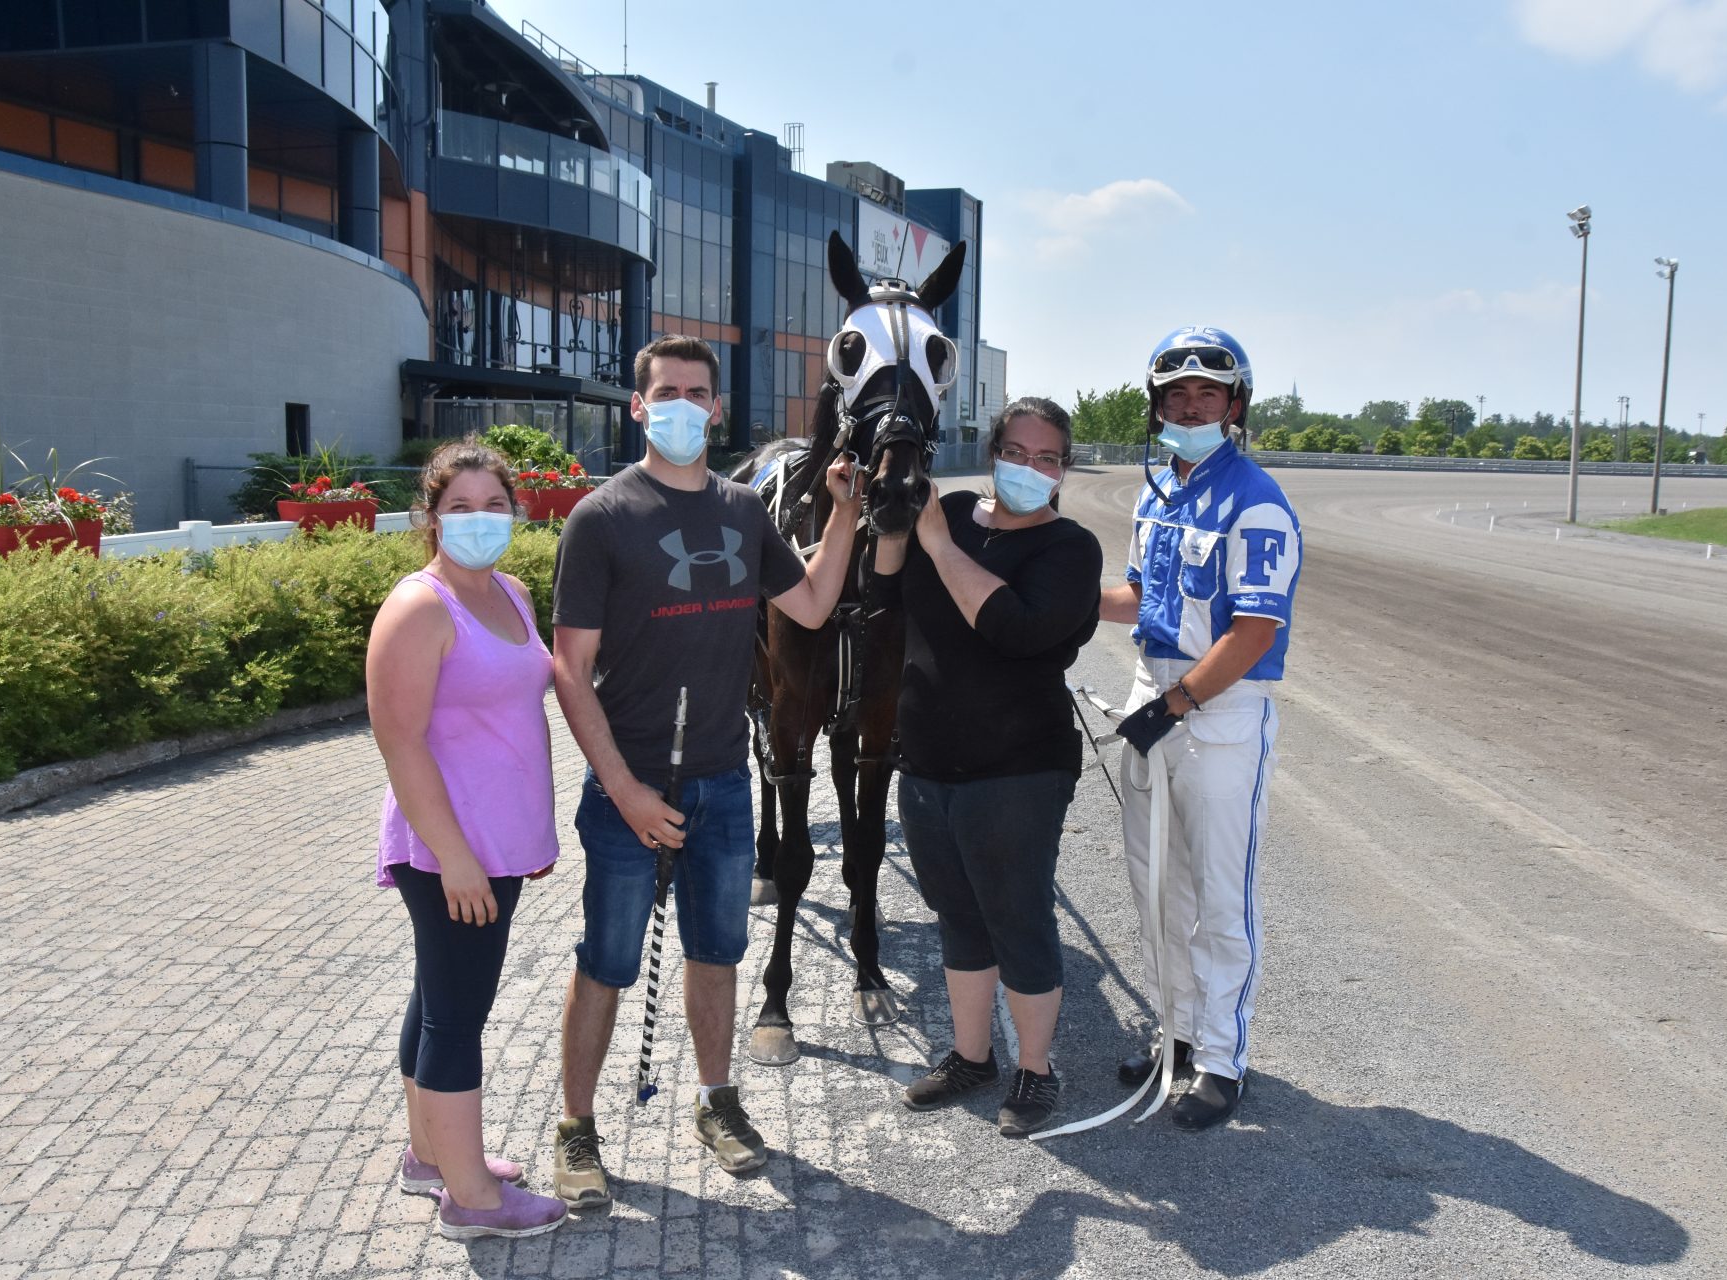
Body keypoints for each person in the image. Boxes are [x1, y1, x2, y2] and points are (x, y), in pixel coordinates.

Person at [549, 335, 859, 1205]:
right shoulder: (602, 518)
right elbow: (569, 670)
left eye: (699, 393)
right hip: (628, 788)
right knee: (606, 962)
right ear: (638, 407)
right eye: (667, 392)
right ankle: (576, 1128)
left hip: (724, 782)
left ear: (717, 410)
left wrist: (840, 510)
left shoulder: (740, 511)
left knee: (717, 954)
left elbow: (812, 600)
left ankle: (717, 1103)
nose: (684, 405)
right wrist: (626, 791)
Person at [869, 397, 1102, 1137]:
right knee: (958, 918)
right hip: (929, 763)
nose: (1030, 468)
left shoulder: (1069, 549)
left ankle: (1036, 1069)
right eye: (1018, 451)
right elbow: (881, 597)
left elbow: (1016, 630)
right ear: (993, 448)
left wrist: (937, 543)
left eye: (1048, 458)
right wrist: (879, 516)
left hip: (1018, 770)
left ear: (1063, 471)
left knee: (1018, 918)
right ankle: (973, 1056)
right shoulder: (957, 511)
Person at [1099, 326, 1302, 1132]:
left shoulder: (1256, 499)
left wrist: (1175, 705)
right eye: (1176, 395)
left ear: (1234, 405)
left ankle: (1221, 1059)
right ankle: (1175, 1037)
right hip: (1157, 695)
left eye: (1207, 395)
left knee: (1220, 898)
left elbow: (1253, 631)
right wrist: (1040, 597)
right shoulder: (1158, 494)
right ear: (1157, 408)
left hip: (1217, 711)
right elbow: (1137, 599)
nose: (1191, 406)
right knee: (1157, 890)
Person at [367, 441, 569, 1240]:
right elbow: (401, 741)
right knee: (458, 1014)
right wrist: (453, 857)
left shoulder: (512, 594)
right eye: (460, 508)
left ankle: (430, 1155)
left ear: (516, 514)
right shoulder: (420, 606)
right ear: (430, 517)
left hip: (498, 841)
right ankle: (472, 1199)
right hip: (452, 850)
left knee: (436, 995)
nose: (479, 521)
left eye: (495, 506)